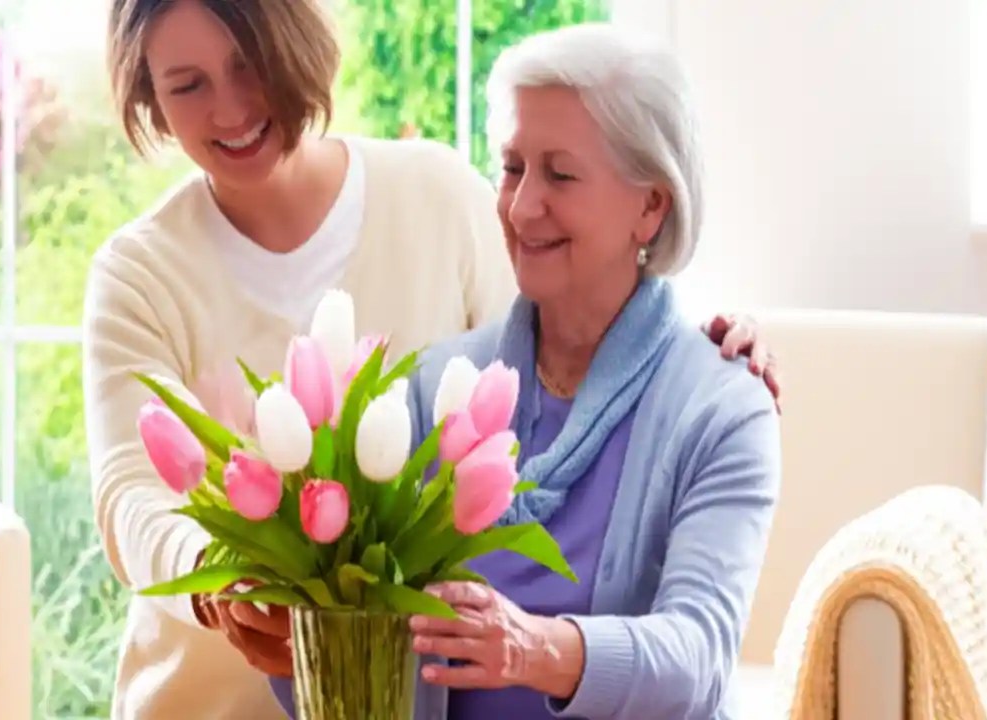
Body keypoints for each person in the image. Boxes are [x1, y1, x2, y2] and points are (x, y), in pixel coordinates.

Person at [85, 2, 779, 719]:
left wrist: (712, 351)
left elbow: (594, 304)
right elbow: (130, 495)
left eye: (245, 64)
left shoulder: (439, 200)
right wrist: (222, 585)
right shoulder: (142, 277)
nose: (228, 108)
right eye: (187, 84)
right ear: (152, 98)